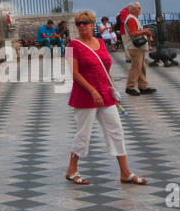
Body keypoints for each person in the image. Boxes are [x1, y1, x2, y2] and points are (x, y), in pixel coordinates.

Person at [63, 10, 147, 187]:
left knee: (116, 130)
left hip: (105, 93)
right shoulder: (72, 46)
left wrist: (112, 91)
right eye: (78, 24)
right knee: (84, 133)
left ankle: (125, 172)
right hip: (85, 95)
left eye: (85, 22)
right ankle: (71, 169)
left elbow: (105, 70)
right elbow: (75, 74)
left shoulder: (100, 41)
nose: (82, 26)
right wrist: (92, 91)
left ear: (93, 24)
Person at [118, 2, 154, 95]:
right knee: (136, 67)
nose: (140, 9)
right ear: (133, 9)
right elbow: (133, 33)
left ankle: (143, 86)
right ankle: (130, 87)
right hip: (135, 47)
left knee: (141, 67)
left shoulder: (133, 18)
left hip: (138, 47)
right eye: (139, 8)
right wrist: (144, 31)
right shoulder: (131, 19)